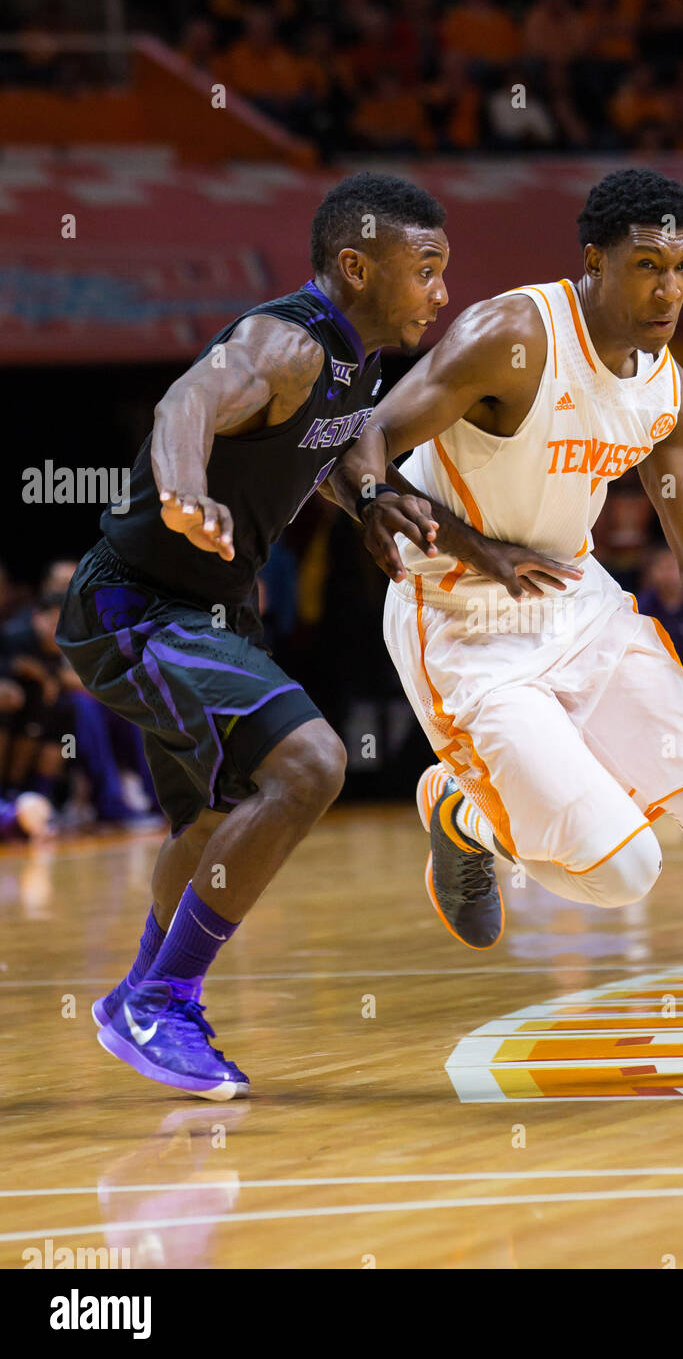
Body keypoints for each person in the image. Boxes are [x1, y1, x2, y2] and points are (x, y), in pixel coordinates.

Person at [334, 168, 683, 1080]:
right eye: (647, 265)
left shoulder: (668, 393)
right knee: (623, 874)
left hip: (577, 598)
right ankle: (462, 811)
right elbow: (351, 445)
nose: (669, 288)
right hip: (463, 623)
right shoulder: (512, 337)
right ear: (594, 263)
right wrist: (468, 543)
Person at [55, 173, 554, 1101]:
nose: (443, 293)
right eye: (427, 271)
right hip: (136, 603)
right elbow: (184, 406)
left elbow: (332, 446)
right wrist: (182, 490)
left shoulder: (358, 362)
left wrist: (370, 500)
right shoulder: (280, 341)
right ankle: (159, 998)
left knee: (212, 816)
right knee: (313, 765)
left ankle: (141, 998)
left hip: (207, 612)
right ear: (356, 266)